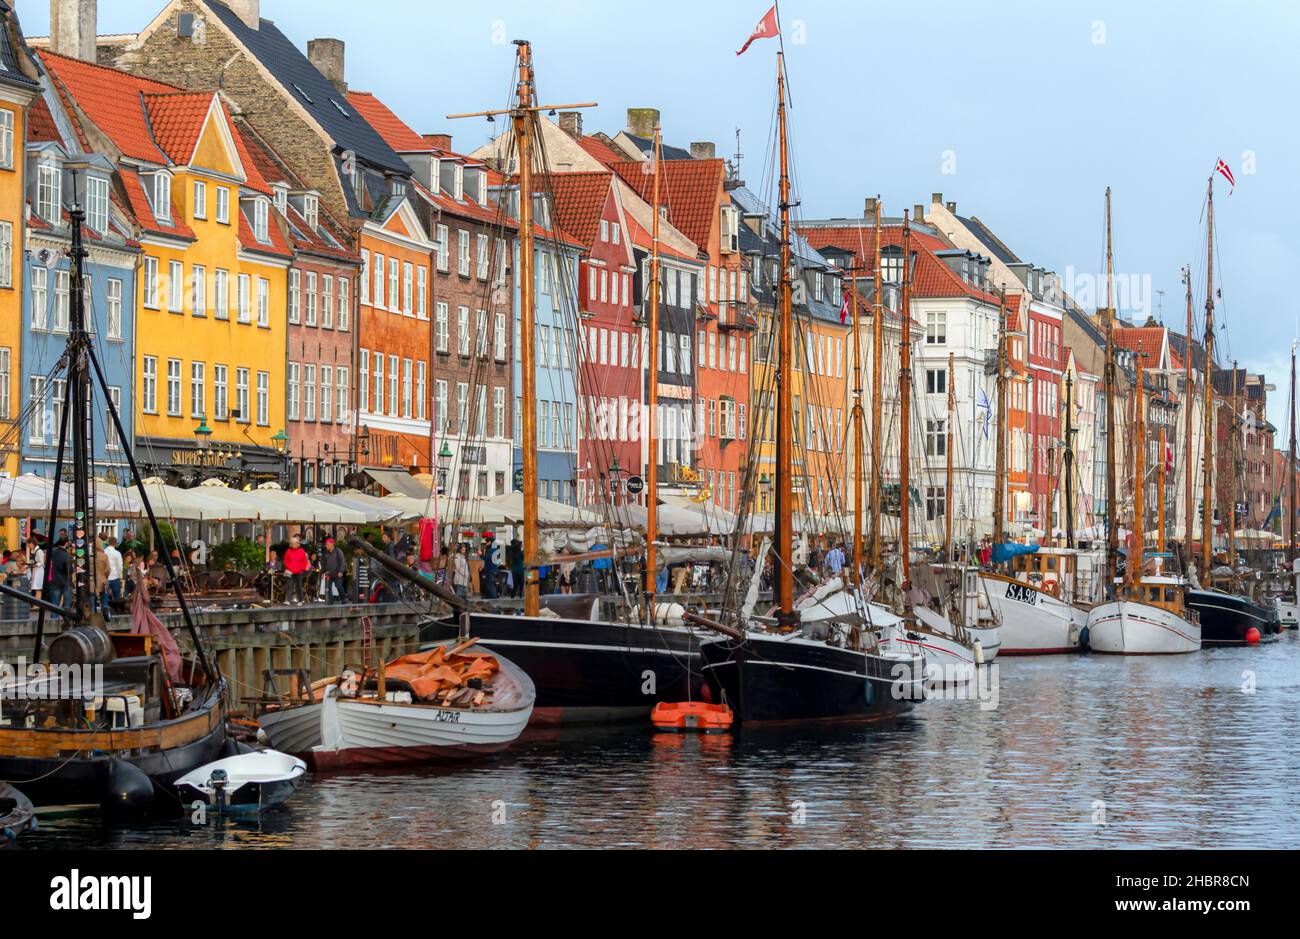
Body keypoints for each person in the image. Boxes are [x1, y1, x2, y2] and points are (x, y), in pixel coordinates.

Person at [283, 536, 310, 605]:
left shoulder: (301, 551)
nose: (293, 544)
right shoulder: (288, 551)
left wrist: (300, 568)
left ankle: (300, 600)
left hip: (299, 572)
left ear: (298, 544)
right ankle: (288, 600)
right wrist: (290, 568)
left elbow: (304, 561)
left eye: (295, 543)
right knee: (289, 585)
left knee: (299, 586)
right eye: (292, 543)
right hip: (290, 572)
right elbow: (285, 561)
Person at [321, 537, 347, 604]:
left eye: (327, 544)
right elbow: (323, 563)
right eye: (326, 544)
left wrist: (341, 571)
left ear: (332, 544)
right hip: (328, 574)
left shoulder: (338, 551)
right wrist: (322, 572)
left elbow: (342, 561)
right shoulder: (324, 552)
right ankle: (330, 601)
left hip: (337, 573)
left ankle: (343, 598)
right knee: (328, 588)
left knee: (339, 587)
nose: (326, 545)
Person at [48, 537, 70, 609]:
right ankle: (66, 618)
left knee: (54, 605)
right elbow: (69, 569)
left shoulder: (52, 552)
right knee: (66, 605)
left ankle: (53, 619)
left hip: (53, 580)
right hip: (65, 581)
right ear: (66, 543)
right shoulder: (66, 555)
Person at [104, 536, 124, 608]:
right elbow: (120, 566)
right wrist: (120, 575)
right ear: (115, 543)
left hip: (106, 577)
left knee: (105, 596)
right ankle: (116, 610)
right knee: (116, 596)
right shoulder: (117, 553)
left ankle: (105, 611)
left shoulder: (104, 551)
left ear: (108, 543)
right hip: (115, 577)